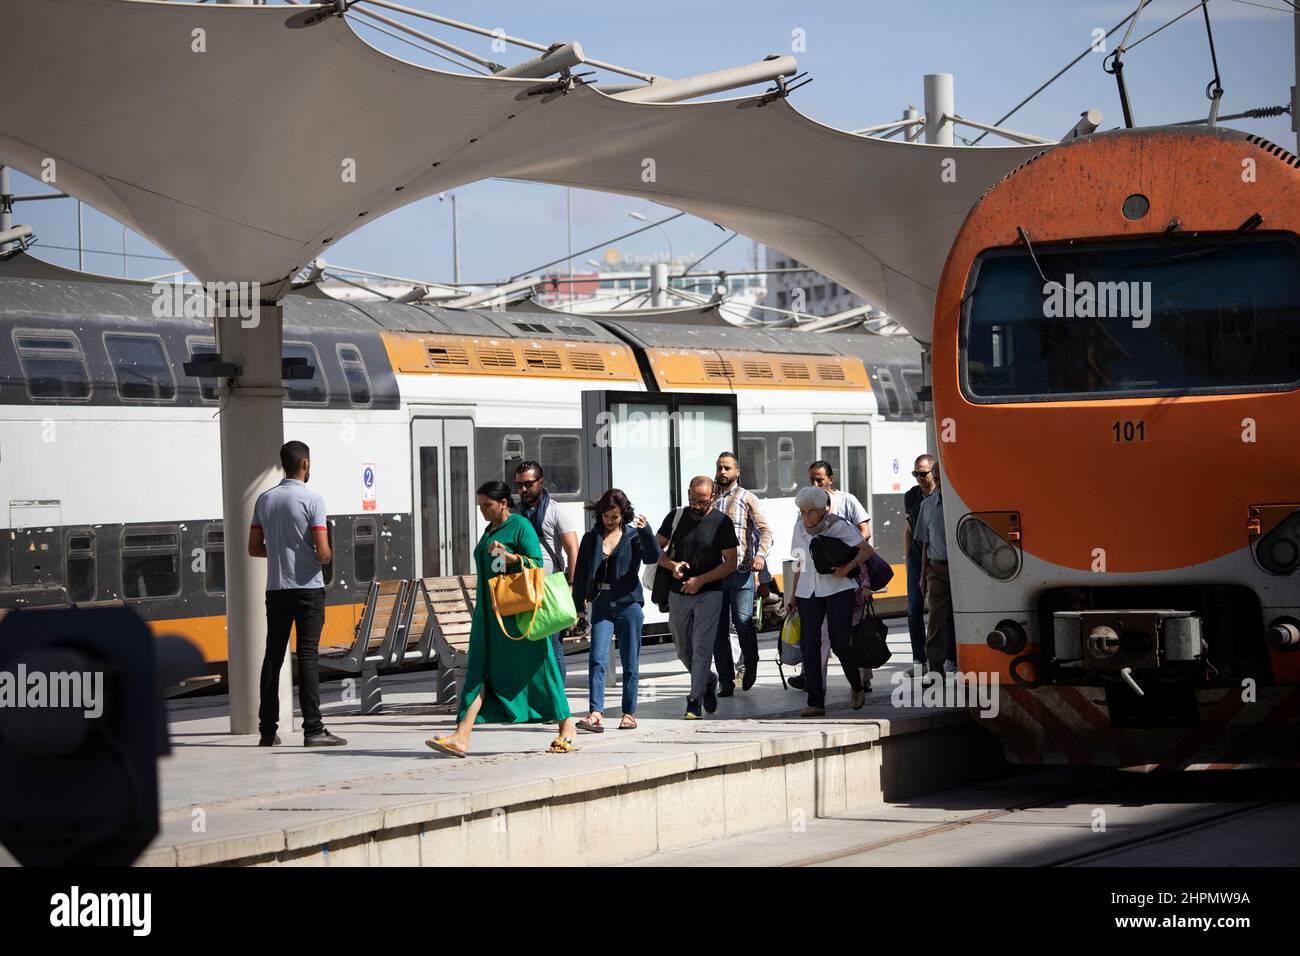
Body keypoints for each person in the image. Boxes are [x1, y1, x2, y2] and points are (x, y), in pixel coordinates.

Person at [426, 481, 578, 756]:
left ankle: (567, 726)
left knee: (541, 669)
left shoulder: (519, 526)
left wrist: (511, 558)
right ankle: (461, 736)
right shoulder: (490, 530)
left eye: (487, 505)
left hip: (515, 618)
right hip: (489, 616)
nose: (483, 510)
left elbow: (536, 564)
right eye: (481, 505)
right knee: (479, 672)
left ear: (504, 503)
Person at [248, 440, 346, 747]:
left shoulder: (264, 500)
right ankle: (313, 729)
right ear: (305, 464)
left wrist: (280, 553)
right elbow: (324, 552)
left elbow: (254, 548)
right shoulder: (313, 500)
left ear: (283, 464)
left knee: (273, 657)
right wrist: (322, 555)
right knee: (307, 656)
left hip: (276, 589)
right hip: (308, 590)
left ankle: (267, 731)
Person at [571, 489, 661, 732]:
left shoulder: (634, 536)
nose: (609, 521)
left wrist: (647, 531)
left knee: (630, 661)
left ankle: (629, 713)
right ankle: (595, 712)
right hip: (601, 603)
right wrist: (579, 608)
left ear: (623, 515)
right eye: (605, 516)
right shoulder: (591, 538)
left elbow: (654, 557)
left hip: (628, 604)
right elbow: (580, 574)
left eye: (614, 517)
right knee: (596, 659)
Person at [656, 476, 738, 720]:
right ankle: (708, 680)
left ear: (712, 496)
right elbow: (653, 549)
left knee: (702, 648)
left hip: (710, 593)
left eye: (702, 501)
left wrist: (700, 580)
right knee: (683, 649)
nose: (696, 505)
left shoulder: (722, 522)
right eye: (692, 499)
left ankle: (694, 701)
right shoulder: (676, 517)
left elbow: (731, 563)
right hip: (678, 592)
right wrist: (672, 565)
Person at [789, 460, 874, 692]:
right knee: (810, 646)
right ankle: (815, 700)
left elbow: (866, 549)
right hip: (809, 592)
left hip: (839, 590)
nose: (805, 517)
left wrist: (847, 568)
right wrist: (793, 595)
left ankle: (857, 685)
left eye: (810, 512)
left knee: (839, 643)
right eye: (802, 512)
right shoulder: (798, 529)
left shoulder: (839, 525)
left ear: (824, 510)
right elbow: (799, 562)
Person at [711, 452, 772, 694]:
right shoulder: (709, 498)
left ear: (737, 472)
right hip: (715, 573)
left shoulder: (747, 498)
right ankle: (726, 680)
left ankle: (751, 663)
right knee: (718, 630)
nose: (722, 472)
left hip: (741, 572)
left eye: (727, 468)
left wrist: (760, 556)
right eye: (719, 468)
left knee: (743, 622)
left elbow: (766, 531)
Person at [515, 460, 581, 681]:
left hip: (551, 588)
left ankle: (558, 700)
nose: (523, 490)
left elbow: (573, 549)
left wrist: (572, 586)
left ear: (541, 482)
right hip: (524, 588)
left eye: (528, 484)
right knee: (527, 646)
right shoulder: (516, 514)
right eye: (519, 485)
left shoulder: (555, 511)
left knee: (553, 647)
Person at [916, 462, 957, 676]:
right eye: (938, 479)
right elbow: (924, 544)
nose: (940, 484)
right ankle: (935, 670)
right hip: (938, 570)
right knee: (936, 621)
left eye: (944, 480)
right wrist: (923, 576)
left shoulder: (963, 504)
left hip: (964, 572)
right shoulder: (927, 506)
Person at [903, 454, 937, 674]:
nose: (919, 478)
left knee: (938, 610)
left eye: (923, 473)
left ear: (933, 472)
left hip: (936, 558)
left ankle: (942, 658)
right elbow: (908, 529)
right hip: (916, 558)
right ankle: (919, 659)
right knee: (914, 609)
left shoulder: (942, 495)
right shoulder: (911, 496)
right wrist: (908, 561)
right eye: (916, 474)